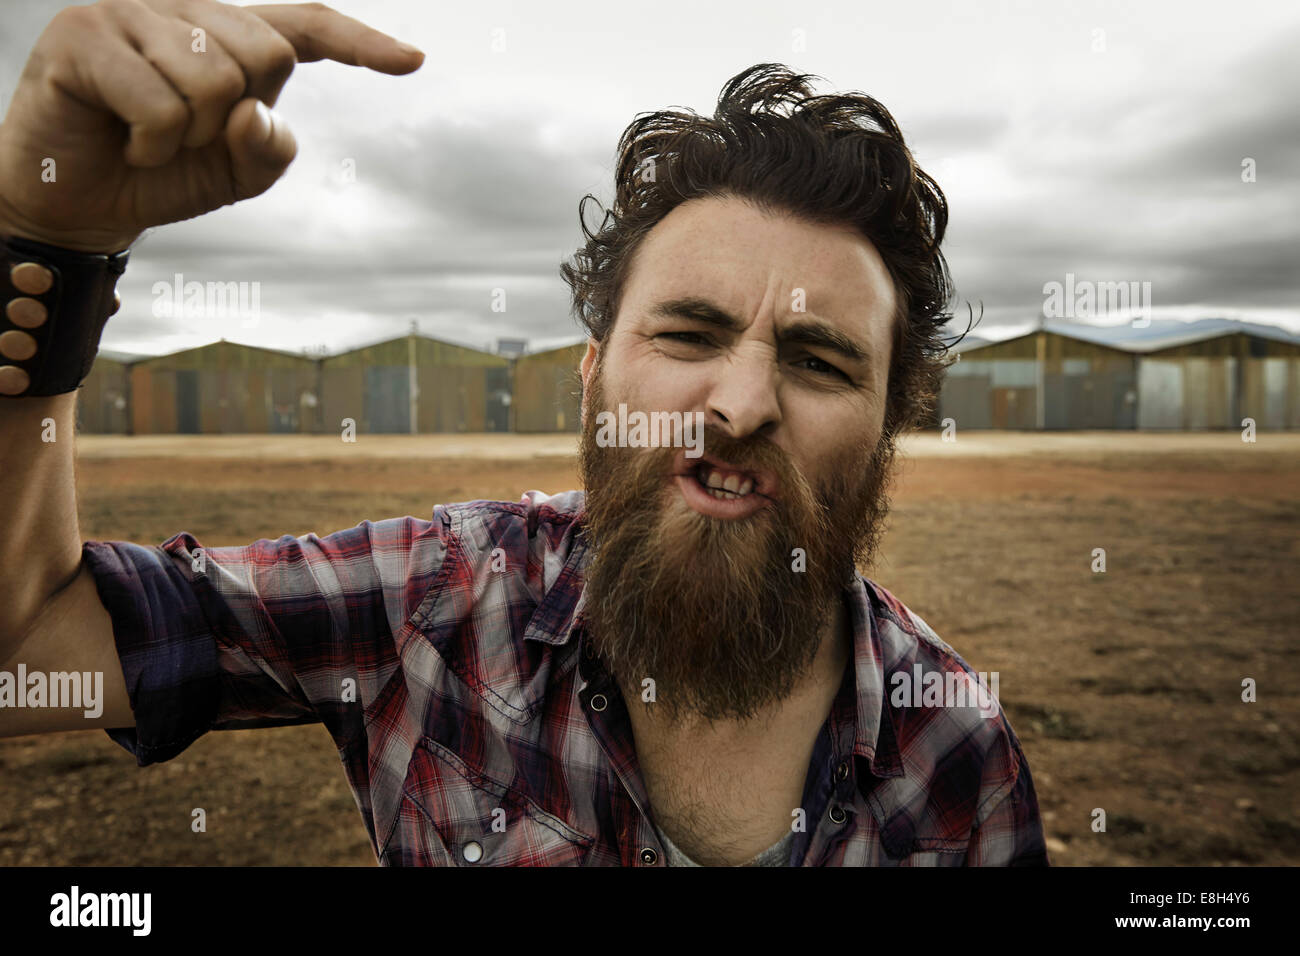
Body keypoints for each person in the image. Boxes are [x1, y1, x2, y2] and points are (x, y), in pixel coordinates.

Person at [0, 0, 1049, 867]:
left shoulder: (955, 749)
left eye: (819, 360)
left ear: (886, 432)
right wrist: (52, 240)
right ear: (592, 376)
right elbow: (27, 646)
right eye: (689, 331)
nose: (740, 403)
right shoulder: (434, 601)